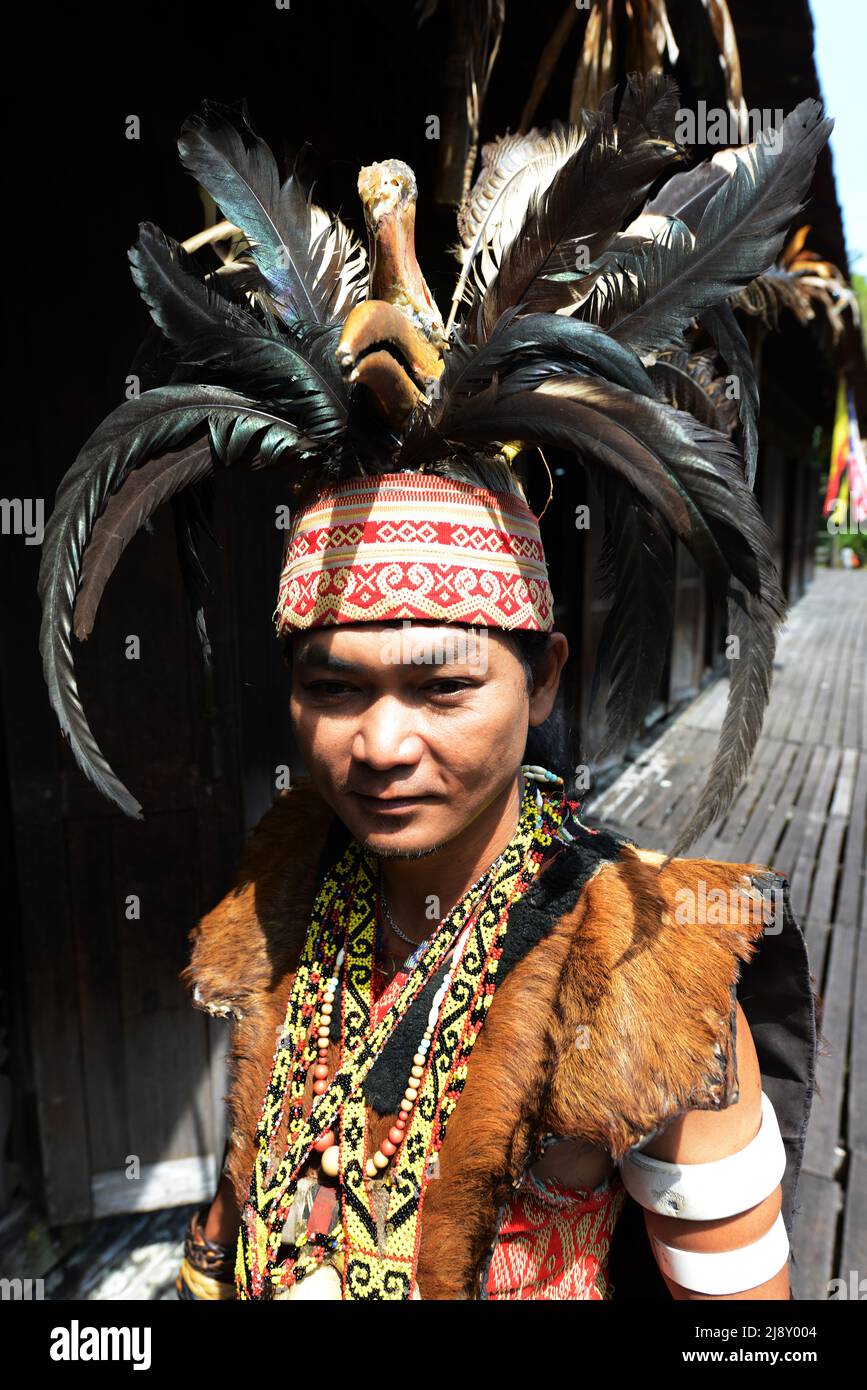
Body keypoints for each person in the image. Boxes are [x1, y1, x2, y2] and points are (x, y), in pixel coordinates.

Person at [38, 81, 827, 1300]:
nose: (380, 744)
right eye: (331, 688)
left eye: (441, 685)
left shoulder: (644, 980)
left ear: (544, 675)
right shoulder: (291, 891)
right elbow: (247, 1199)